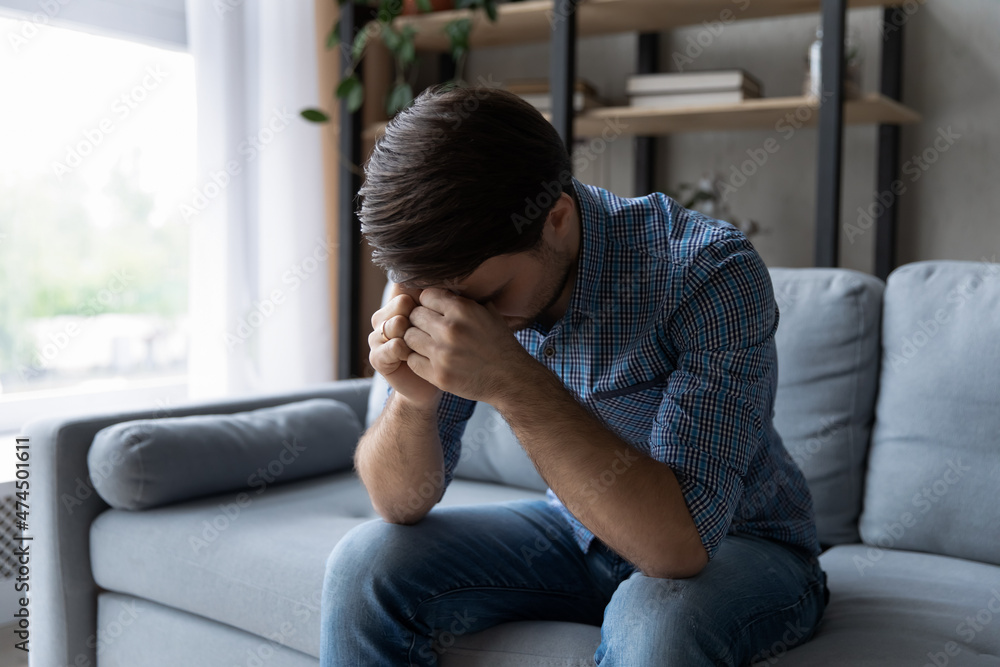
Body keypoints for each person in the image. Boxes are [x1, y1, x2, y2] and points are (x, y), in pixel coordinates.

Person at [320, 85, 828, 666]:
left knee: (657, 624)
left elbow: (679, 547)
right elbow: (398, 504)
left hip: (744, 544)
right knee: (365, 564)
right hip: (574, 529)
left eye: (490, 297)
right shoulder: (443, 265)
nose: (466, 320)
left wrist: (511, 381)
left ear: (556, 218)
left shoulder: (707, 273)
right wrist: (414, 401)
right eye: (448, 299)